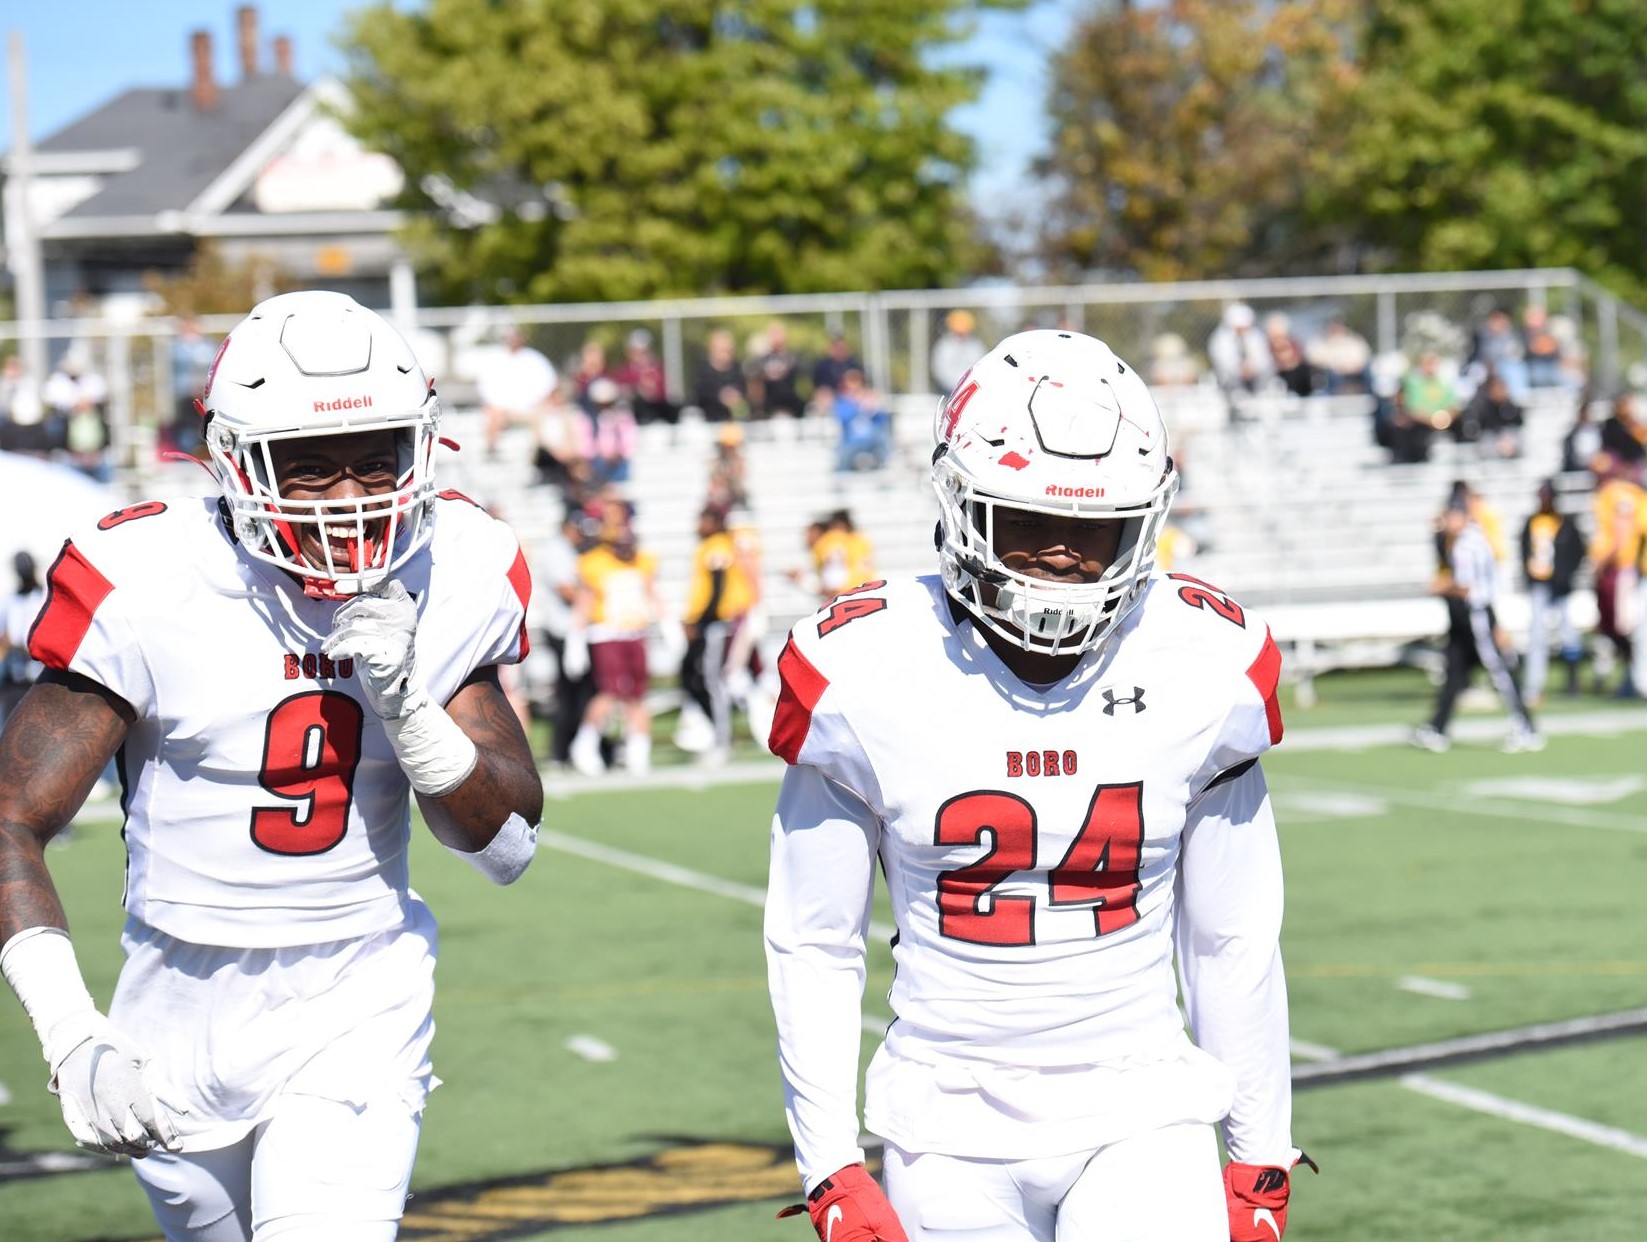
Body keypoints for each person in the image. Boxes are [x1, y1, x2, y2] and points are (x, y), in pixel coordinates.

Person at [0, 291, 543, 1239]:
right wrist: (70, 1031)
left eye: (377, 460)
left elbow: (505, 848)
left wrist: (409, 703)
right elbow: (10, 816)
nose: (351, 497)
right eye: (310, 466)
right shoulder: (149, 579)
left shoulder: (455, 559)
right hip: (177, 998)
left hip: (359, 988)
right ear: (232, 461)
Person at [765, 329, 1310, 1242]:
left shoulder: (1201, 659)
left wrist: (1260, 1152)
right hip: (941, 1118)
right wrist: (826, 1162)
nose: (1063, 554)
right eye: (1026, 522)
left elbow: (1231, 932)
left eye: (1095, 528)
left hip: (1143, 1102)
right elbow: (814, 940)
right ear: (958, 502)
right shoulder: (862, 668)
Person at [1412, 498, 1542, 752]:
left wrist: (1440, 586)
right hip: (1471, 614)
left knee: (1499, 670)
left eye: (1451, 517)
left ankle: (1525, 726)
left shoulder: (1466, 545)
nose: (1447, 523)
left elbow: (1465, 585)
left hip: (1476, 613)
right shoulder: (1471, 540)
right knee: (1454, 671)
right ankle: (1438, 728)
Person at [569, 509, 664, 776]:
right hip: (607, 633)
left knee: (637, 695)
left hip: (636, 633)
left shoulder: (643, 561)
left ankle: (638, 750)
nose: (627, 549)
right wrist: (575, 639)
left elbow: (651, 592)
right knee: (609, 693)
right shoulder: (595, 563)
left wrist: (668, 624)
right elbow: (584, 602)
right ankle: (585, 745)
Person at [676, 503, 761, 763]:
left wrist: (700, 621)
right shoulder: (713, 545)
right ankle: (715, 731)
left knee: (715, 681)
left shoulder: (717, 545)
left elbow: (717, 586)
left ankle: (721, 739)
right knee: (699, 677)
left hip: (717, 622)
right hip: (714, 621)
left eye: (703, 520)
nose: (698, 526)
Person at [1520, 479, 1586, 704]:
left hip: (1561, 586)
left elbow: (1579, 551)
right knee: (1537, 635)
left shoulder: (1566, 522)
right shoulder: (1531, 522)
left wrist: (1565, 574)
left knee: (1569, 634)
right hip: (1539, 584)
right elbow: (1524, 551)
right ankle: (1534, 685)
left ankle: (1573, 681)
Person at [478, 326, 558, 459]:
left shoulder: (535, 359)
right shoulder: (495, 360)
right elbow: (486, 391)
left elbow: (548, 387)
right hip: (502, 411)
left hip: (530, 410)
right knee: (492, 416)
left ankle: (541, 456)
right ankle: (491, 454)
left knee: (542, 417)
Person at [0, 550, 45, 729]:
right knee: (12, 730)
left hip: (41, 680)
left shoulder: (43, 597)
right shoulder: (10, 601)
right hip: (16, 679)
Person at [169, 317, 219, 456]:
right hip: (186, 397)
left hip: (205, 395)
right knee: (187, 431)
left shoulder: (208, 345)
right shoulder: (177, 346)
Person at [832, 369, 894, 473]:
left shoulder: (870, 399)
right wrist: (858, 405)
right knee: (842, 458)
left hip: (872, 441)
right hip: (851, 442)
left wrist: (875, 408)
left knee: (884, 443)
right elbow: (843, 417)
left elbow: (883, 420)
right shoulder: (842, 401)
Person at [929, 309, 987, 395]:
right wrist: (955, 386)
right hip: (948, 390)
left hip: (971, 388)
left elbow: (982, 366)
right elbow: (940, 370)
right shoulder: (944, 345)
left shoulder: (975, 345)